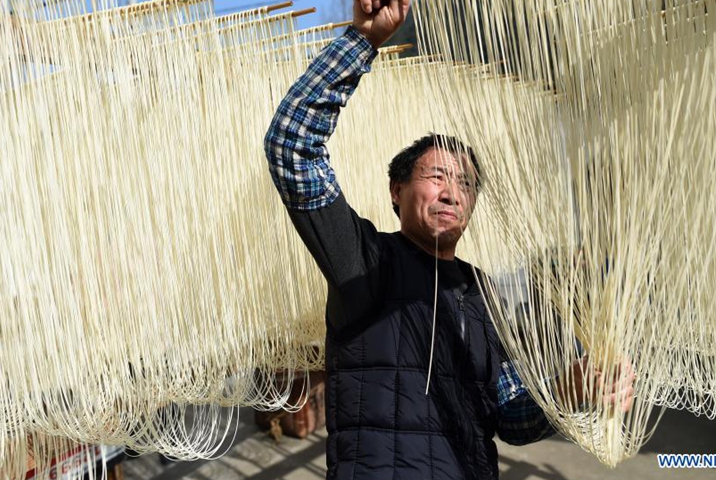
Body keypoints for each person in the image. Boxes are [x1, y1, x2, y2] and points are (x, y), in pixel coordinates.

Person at [264, 1, 634, 478]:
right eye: (437, 175)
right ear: (397, 191)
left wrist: (568, 390)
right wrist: (364, 40)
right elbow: (290, 146)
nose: (451, 192)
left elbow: (511, 419)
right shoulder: (366, 263)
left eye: (465, 184)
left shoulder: (480, 294)